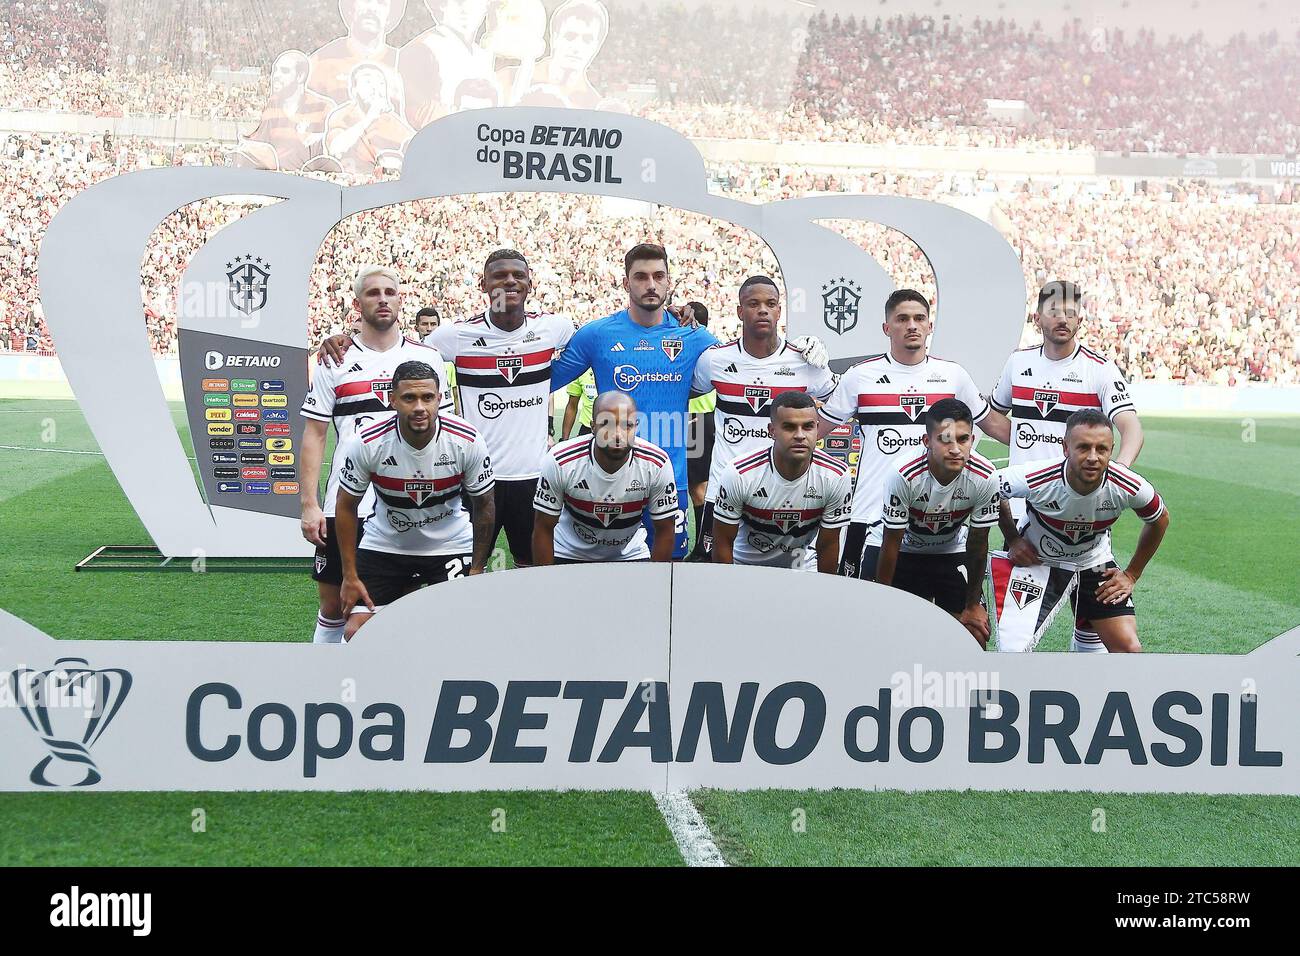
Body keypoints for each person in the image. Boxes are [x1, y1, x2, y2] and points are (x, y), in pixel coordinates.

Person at [550, 243, 830, 559]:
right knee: (599, 573)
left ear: (670, 282)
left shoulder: (696, 338)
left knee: (668, 579)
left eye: (659, 276)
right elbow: (540, 383)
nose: (651, 284)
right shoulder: (596, 334)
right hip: (607, 480)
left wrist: (805, 348)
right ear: (626, 283)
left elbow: (752, 360)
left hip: (671, 480)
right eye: (641, 277)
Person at [324, 249, 572, 568]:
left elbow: (590, 348)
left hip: (533, 476)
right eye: (499, 276)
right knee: (467, 567)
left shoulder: (556, 329)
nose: (509, 281)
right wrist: (346, 340)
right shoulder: (453, 336)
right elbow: (394, 352)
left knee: (534, 569)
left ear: (530, 283)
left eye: (518, 275)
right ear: (483, 285)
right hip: (473, 477)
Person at [981, 280, 1145, 652]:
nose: (1063, 318)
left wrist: (1116, 471)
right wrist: (1025, 438)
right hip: (1024, 515)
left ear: (1080, 319)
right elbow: (995, 419)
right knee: (1015, 642)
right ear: (1038, 317)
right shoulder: (1018, 363)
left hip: (1081, 510)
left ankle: (1086, 672)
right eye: (1055, 311)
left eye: (1071, 312)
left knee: (1096, 635)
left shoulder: (1099, 370)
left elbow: (1131, 426)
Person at [817, 289, 1010, 580]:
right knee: (865, 616)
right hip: (871, 515)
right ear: (886, 327)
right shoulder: (860, 376)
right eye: (902, 319)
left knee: (953, 621)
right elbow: (814, 429)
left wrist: (1061, 440)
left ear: (930, 326)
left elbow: (994, 425)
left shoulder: (953, 375)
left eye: (920, 318)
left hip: (934, 518)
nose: (912, 325)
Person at [299, 266, 446, 644]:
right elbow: (315, 433)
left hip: (410, 505)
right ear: (357, 302)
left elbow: (443, 436)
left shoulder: (428, 358)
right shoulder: (335, 359)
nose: (382, 299)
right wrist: (310, 505)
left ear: (400, 300)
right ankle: (321, 688)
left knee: (403, 607)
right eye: (373, 293)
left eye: (389, 292)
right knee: (333, 606)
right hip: (348, 505)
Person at [335, 359, 495, 641]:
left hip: (449, 544)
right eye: (409, 398)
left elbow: (484, 505)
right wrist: (349, 574)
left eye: (427, 398)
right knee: (356, 632)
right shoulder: (367, 442)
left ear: (439, 399)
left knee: (464, 632)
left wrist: (477, 567)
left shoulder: (467, 440)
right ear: (392, 400)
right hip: (386, 544)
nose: (419, 407)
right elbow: (346, 505)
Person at [991, 409, 1169, 654]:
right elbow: (989, 490)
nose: (1093, 457)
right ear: (1066, 447)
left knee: (1129, 650)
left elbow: (1160, 519)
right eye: (1083, 447)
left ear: (1112, 449)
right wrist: (1012, 539)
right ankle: (1086, 636)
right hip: (1036, 560)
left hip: (1092, 563)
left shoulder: (1127, 485)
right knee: (1012, 652)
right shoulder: (1036, 477)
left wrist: (1131, 574)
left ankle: (1087, 636)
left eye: (1102, 449)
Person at [688, 277, 835, 561]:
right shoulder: (714, 360)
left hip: (784, 492)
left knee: (782, 576)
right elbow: (679, 396)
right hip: (724, 488)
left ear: (780, 311)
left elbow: (839, 404)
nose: (763, 310)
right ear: (740, 311)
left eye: (770, 304)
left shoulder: (804, 361)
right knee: (712, 575)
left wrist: (809, 437)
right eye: (753, 304)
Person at [877, 399, 999, 647]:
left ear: (972, 441)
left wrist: (972, 605)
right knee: (890, 635)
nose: (955, 448)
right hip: (903, 551)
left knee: (975, 635)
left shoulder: (985, 476)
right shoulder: (903, 474)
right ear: (927, 441)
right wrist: (883, 600)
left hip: (949, 550)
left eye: (963, 439)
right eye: (945, 440)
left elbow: (978, 543)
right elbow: (891, 542)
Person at [711, 391, 852, 572]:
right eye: (789, 427)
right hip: (746, 567)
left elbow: (828, 545)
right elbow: (722, 541)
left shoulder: (836, 475)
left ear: (817, 428)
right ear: (772, 431)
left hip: (800, 567)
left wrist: (824, 595)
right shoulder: (740, 473)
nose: (800, 435)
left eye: (808, 427)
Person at [533, 391, 678, 564]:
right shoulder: (560, 460)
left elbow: (666, 529)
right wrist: (547, 585)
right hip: (569, 553)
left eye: (627, 425)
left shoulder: (656, 463)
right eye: (607, 425)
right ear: (592, 427)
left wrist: (656, 584)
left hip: (630, 554)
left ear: (636, 426)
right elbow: (543, 527)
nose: (617, 435)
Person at [398, 0, 496, 129]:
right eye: (458, 2)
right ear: (443, 4)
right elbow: (417, 113)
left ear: (485, 6)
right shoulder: (420, 49)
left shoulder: (483, 56)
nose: (466, 9)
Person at [238, 50, 333, 171]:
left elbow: (336, 148)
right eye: (275, 70)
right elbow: (260, 146)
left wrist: (321, 137)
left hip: (309, 183)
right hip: (278, 181)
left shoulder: (323, 107)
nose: (276, 75)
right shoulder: (269, 107)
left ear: (300, 76)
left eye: (284, 71)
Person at [308, 0, 406, 108]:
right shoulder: (321, 61)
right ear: (351, 7)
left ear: (390, 15)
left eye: (381, 2)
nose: (372, 8)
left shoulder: (402, 66)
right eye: (366, 1)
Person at [324, 62, 415, 174]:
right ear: (354, 90)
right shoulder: (342, 114)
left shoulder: (392, 122)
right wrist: (370, 117)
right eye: (368, 81)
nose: (375, 87)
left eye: (381, 83)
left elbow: (415, 147)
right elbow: (335, 148)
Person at [683, 301, 715, 559]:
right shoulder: (704, 344)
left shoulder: (701, 346)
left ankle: (704, 547)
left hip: (697, 420)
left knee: (698, 487)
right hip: (687, 420)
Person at [561, 368, 596, 437]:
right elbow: (572, 405)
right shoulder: (580, 369)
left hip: (614, 429)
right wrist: (564, 439)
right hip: (588, 429)